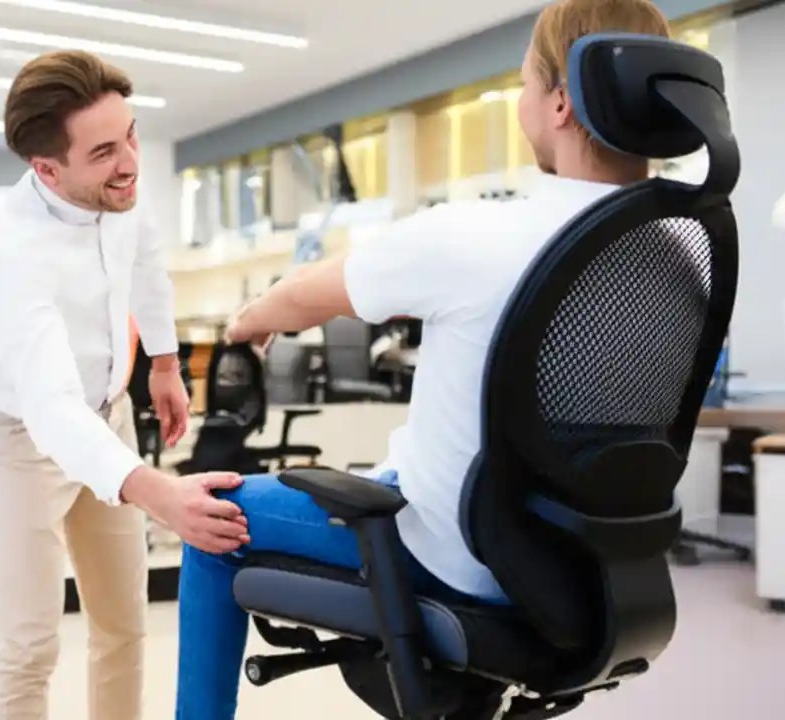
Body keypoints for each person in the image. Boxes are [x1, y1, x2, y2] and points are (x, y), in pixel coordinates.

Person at [173, 1, 673, 718]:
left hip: (448, 552)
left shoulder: (477, 232)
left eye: (527, 80)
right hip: (583, 570)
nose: (523, 98)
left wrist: (249, 319)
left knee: (210, 516)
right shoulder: (682, 249)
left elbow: (301, 299)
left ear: (560, 102)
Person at [0, 50, 251, 720]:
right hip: (26, 437)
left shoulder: (119, 185)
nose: (129, 161)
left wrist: (163, 364)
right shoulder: (15, 249)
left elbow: (147, 262)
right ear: (46, 168)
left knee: (123, 626)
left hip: (109, 410)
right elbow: (52, 411)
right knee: (31, 644)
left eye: (130, 135)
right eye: (103, 151)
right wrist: (161, 494)